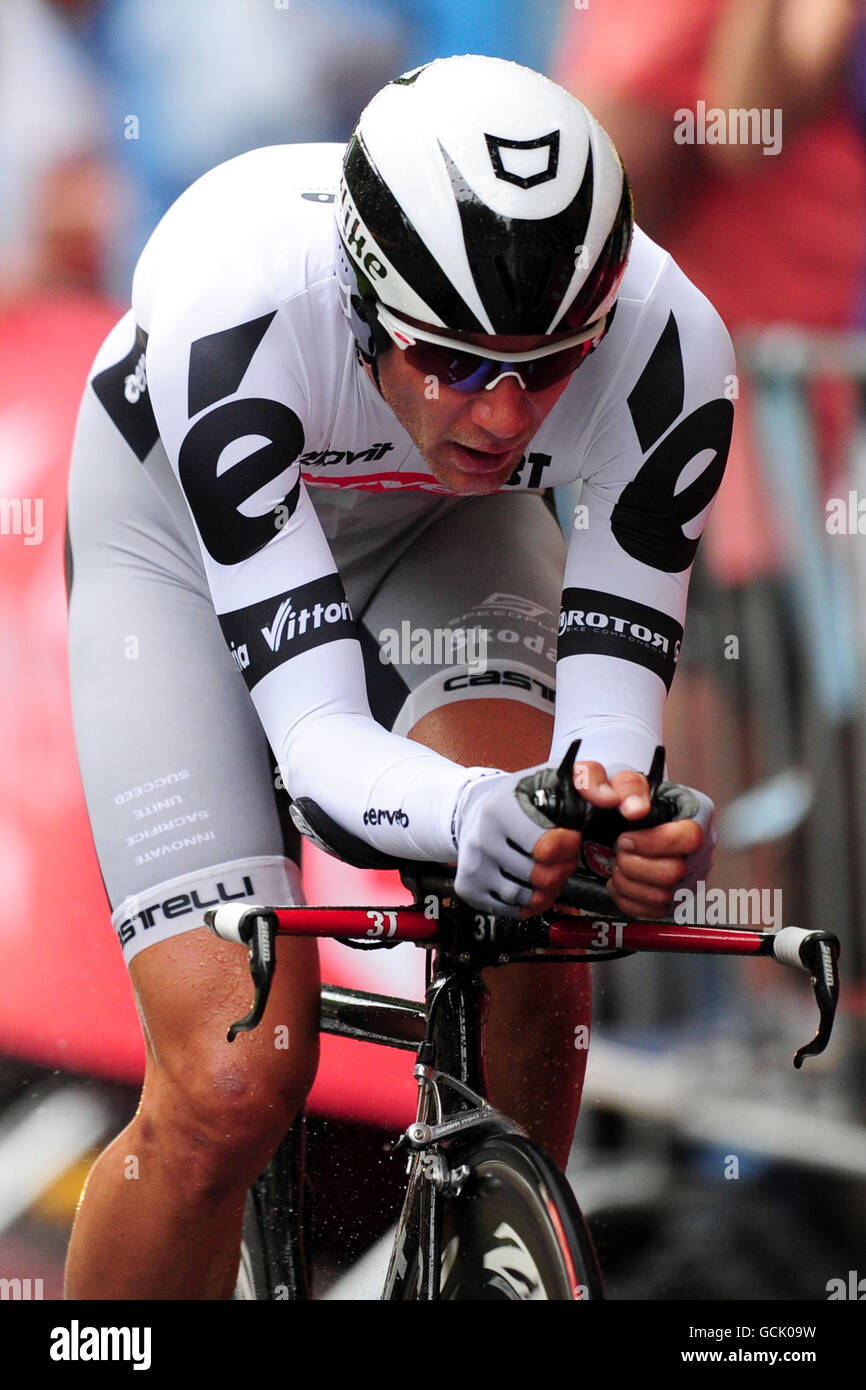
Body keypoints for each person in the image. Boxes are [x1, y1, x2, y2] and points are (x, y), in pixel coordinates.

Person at [63, 55, 728, 1299]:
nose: (504, 414)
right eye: (457, 362)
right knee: (230, 1078)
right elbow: (315, 744)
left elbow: (601, 749)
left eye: (549, 365)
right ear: (366, 304)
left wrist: (619, 819)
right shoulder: (236, 299)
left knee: (540, 915)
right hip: (177, 540)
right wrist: (465, 811)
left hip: (444, 533)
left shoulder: (668, 349)